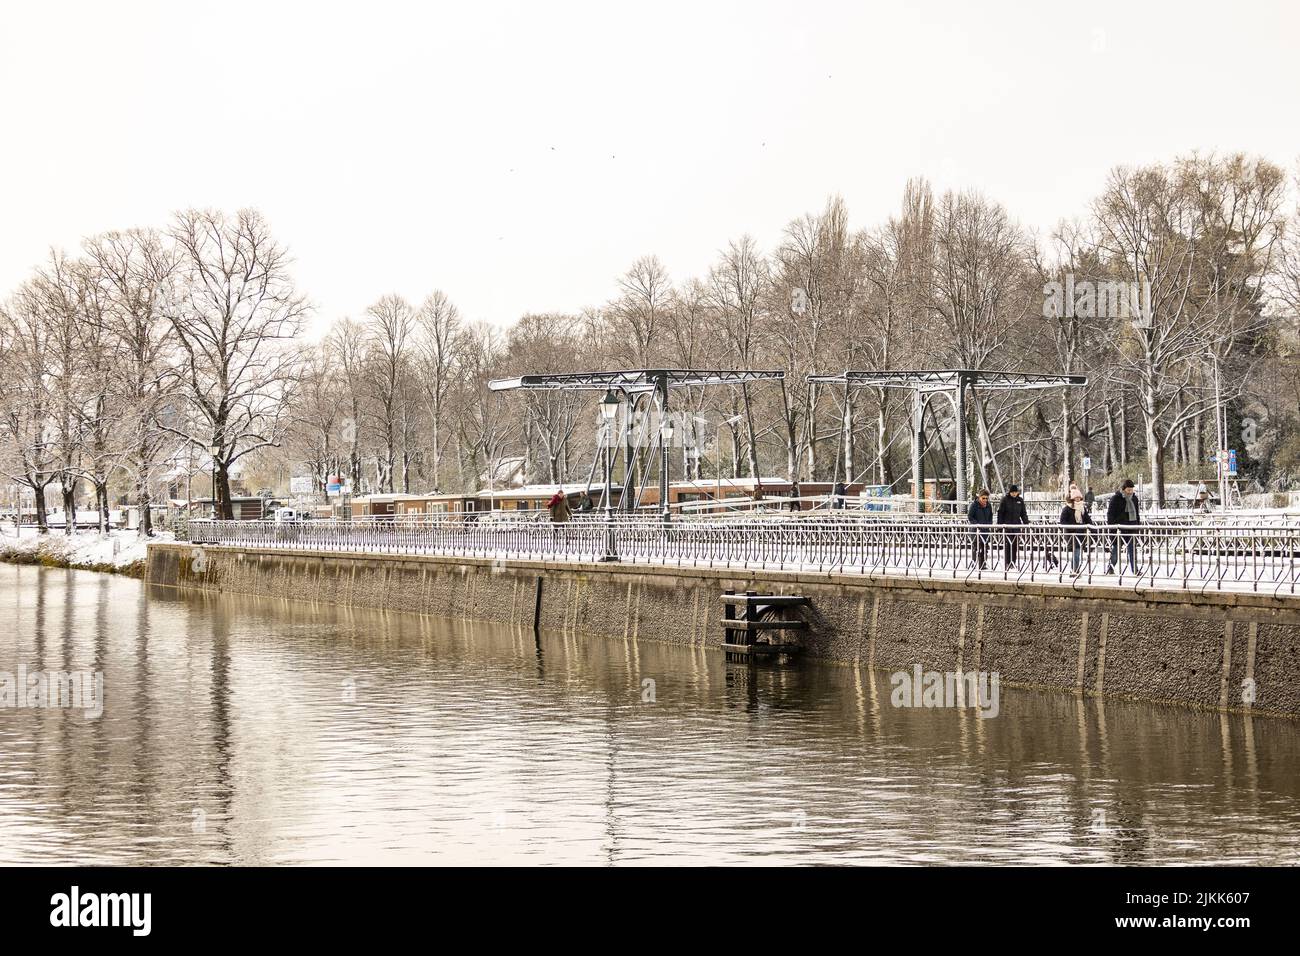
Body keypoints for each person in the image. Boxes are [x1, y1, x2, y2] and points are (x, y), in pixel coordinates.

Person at [1104, 478, 1142, 574]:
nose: (1130, 492)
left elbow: (1137, 513)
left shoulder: (1134, 499)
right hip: (1119, 528)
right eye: (1128, 490)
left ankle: (1135, 570)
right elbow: (1110, 514)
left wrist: (1137, 525)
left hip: (1131, 527)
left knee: (1132, 550)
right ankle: (1110, 568)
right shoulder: (1116, 499)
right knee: (1116, 551)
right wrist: (1112, 527)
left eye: (1132, 490)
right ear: (1124, 489)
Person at [1060, 484, 1093, 572]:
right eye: (1076, 498)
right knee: (1077, 552)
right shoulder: (1067, 509)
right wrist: (1072, 527)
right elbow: (1062, 521)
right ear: (1072, 499)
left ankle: (1074, 569)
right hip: (1072, 534)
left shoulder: (1082, 508)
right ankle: (1075, 570)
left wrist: (1091, 526)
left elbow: (1087, 519)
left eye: (1079, 497)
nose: (1078, 499)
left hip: (1081, 533)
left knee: (1077, 552)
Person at [997, 483, 1029, 567]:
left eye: (1016, 492)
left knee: (1014, 546)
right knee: (1008, 545)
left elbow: (1023, 513)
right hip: (1007, 526)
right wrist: (999, 526)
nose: (1014, 494)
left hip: (1016, 526)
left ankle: (1013, 562)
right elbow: (1000, 513)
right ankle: (1008, 562)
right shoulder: (1005, 500)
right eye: (1013, 492)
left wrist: (1027, 523)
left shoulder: (1020, 500)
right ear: (1010, 492)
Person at [968, 489, 993, 569]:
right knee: (976, 548)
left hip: (985, 530)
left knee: (984, 547)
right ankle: (974, 563)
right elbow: (970, 517)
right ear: (979, 497)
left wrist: (989, 524)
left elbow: (990, 516)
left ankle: (982, 564)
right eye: (983, 498)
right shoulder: (974, 505)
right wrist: (977, 524)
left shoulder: (988, 506)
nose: (985, 500)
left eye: (986, 498)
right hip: (976, 530)